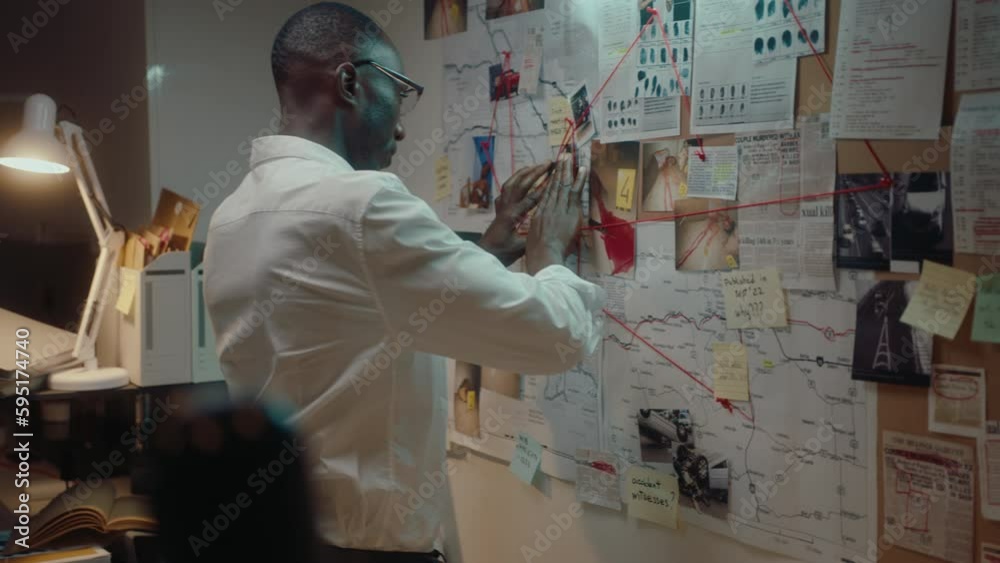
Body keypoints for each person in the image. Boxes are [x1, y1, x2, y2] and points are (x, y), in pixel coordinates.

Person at [203, 3, 604, 562]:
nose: (401, 124)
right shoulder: (362, 206)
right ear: (349, 81)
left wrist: (487, 249)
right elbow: (556, 335)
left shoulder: (232, 217)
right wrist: (550, 251)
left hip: (284, 537)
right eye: (400, 91)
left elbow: (353, 319)